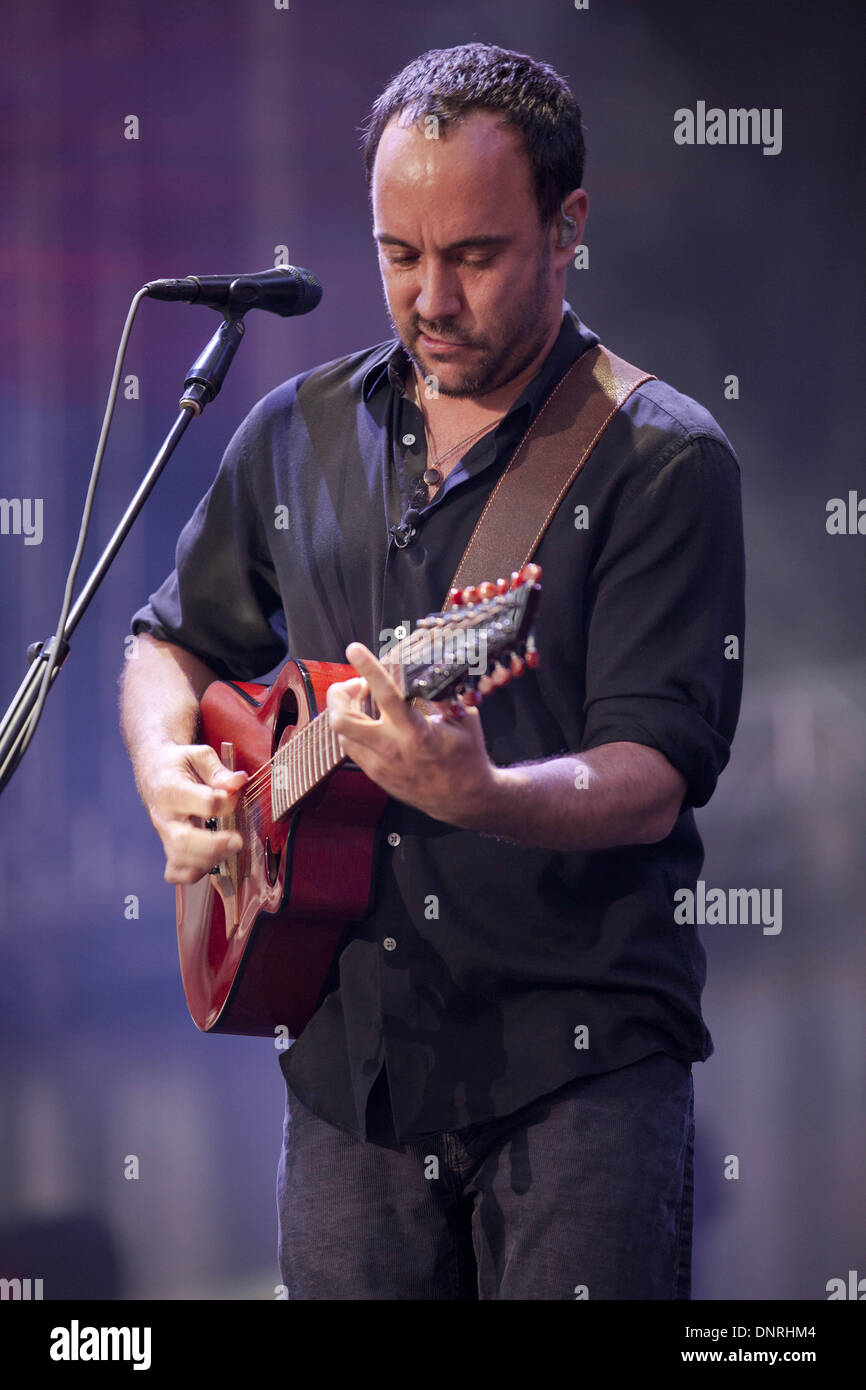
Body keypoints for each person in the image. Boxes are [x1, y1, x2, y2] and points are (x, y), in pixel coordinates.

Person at [120, 42, 745, 1300]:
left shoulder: (659, 462)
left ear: (566, 227)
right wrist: (167, 774)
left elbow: (654, 772)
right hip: (351, 1072)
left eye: (471, 256)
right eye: (399, 256)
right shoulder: (291, 434)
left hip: (574, 1074)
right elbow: (165, 639)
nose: (428, 300)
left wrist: (487, 796)